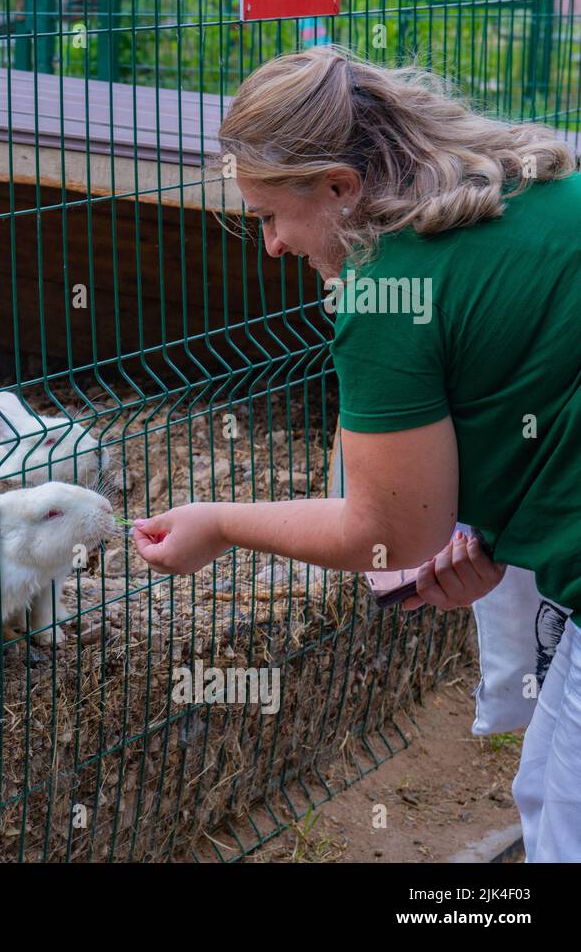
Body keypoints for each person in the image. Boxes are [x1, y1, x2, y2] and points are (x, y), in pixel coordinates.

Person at [131, 46, 580, 861]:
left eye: (271, 216)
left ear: (341, 186)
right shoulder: (546, 186)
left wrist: (221, 523)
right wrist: (501, 543)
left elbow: (391, 534)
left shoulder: (387, 287)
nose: (271, 245)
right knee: (545, 791)